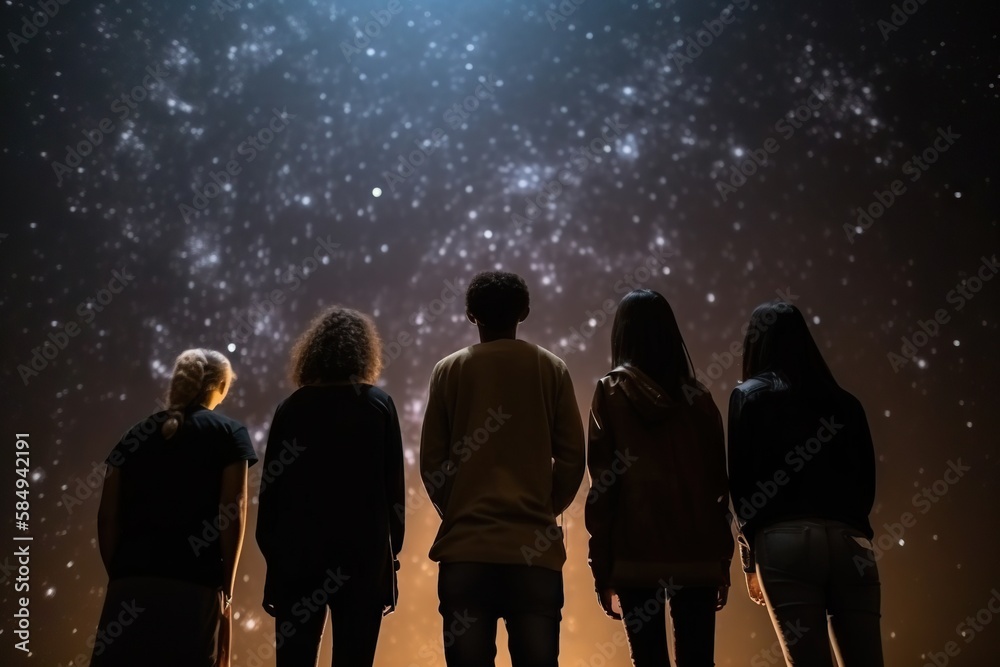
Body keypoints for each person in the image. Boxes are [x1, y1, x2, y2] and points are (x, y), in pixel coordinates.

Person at [420, 270, 586, 667]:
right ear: (524, 312)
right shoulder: (552, 369)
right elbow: (572, 459)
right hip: (534, 557)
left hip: (466, 554)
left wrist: (459, 508)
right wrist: (544, 507)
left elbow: (432, 464)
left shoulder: (448, 370)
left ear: (470, 315)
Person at [728, 300, 883, 666]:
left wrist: (749, 563)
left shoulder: (748, 397)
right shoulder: (847, 403)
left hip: (784, 545)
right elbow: (866, 485)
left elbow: (743, 488)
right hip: (851, 543)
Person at [585, 289, 734, 667]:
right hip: (697, 555)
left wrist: (601, 567)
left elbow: (603, 489)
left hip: (634, 555)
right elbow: (719, 487)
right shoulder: (700, 399)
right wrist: (722, 561)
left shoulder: (609, 393)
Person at [256, 306, 404, 667]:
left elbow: (270, 494)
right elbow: (394, 494)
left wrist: (275, 565)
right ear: (364, 352)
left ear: (312, 352)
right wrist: (389, 561)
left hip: (298, 561)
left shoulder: (290, 408)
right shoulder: (378, 405)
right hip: (363, 561)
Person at [93, 348, 257, 667]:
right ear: (221, 386)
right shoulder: (230, 434)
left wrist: (121, 575)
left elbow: (107, 516)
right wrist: (227, 586)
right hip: (194, 587)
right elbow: (232, 509)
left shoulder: (132, 435)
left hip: (129, 585)